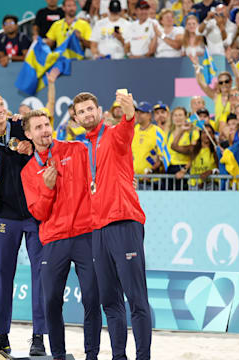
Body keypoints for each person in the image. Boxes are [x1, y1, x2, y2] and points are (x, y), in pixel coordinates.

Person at [72, 92, 150, 360]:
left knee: (136, 300)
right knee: (110, 302)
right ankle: (119, 357)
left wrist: (129, 109)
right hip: (98, 230)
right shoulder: (82, 147)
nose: (86, 114)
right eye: (81, 112)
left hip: (124, 222)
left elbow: (129, 122)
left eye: (90, 109)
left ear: (99, 110)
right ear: (76, 118)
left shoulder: (115, 135)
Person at [20, 109, 101, 360]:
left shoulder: (76, 149)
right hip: (54, 240)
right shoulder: (28, 172)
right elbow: (39, 214)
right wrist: (47, 188)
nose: (44, 130)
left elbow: (97, 177)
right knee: (52, 301)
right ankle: (58, 355)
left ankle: (92, 354)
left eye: (46, 124)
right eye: (38, 127)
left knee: (91, 297)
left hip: (85, 234)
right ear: (28, 134)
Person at [0, 91, 46, 356]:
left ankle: (39, 336)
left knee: (41, 276)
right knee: (3, 277)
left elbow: (47, 149)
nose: (0, 109)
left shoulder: (22, 126)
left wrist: (34, 148)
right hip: (5, 216)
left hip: (36, 214)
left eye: (1, 104)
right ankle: (1, 335)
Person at [167, 106, 199, 190]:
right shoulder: (168, 134)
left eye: (180, 115)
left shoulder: (193, 133)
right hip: (170, 169)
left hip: (185, 169)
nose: (178, 118)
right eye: (175, 115)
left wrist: (184, 170)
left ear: (185, 117)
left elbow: (195, 154)